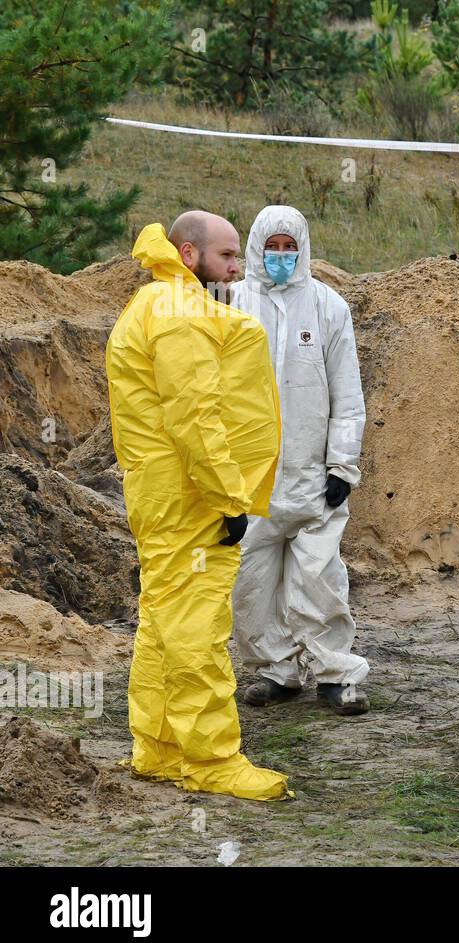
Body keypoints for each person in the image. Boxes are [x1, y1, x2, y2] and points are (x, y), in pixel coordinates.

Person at [106, 211, 290, 801]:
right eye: (228, 256)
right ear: (189, 254)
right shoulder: (179, 315)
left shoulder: (161, 305)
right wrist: (227, 495)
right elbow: (195, 416)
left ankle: (159, 747)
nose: (238, 268)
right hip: (189, 496)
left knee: (164, 621)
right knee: (198, 629)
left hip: (164, 491)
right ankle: (211, 759)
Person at [229, 206, 370, 715]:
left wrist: (342, 466)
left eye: (291, 247)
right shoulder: (230, 303)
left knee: (320, 578)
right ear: (256, 248)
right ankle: (276, 669)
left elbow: (347, 394)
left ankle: (336, 673)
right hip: (251, 479)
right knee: (252, 582)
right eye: (274, 247)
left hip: (313, 476)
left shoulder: (328, 307)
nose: (282, 257)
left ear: (304, 248)